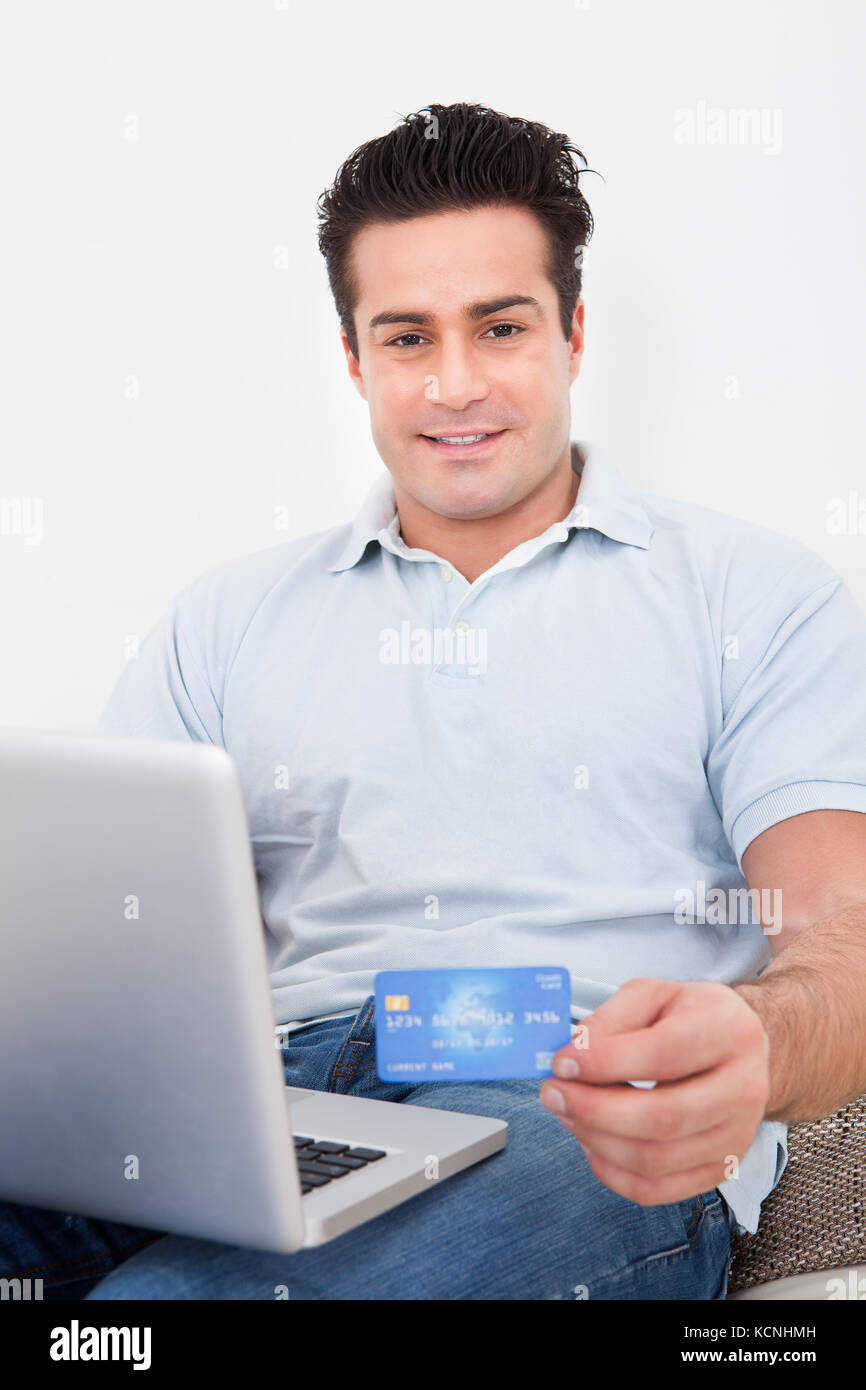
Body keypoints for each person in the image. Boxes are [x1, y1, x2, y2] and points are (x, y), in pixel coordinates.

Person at [4, 102, 866, 1301]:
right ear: (354, 359)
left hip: (568, 1110)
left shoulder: (754, 595)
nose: (454, 386)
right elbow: (106, 950)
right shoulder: (224, 618)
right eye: (407, 338)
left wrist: (760, 1043)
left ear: (571, 332)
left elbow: (846, 937)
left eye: (498, 327)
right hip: (272, 1105)